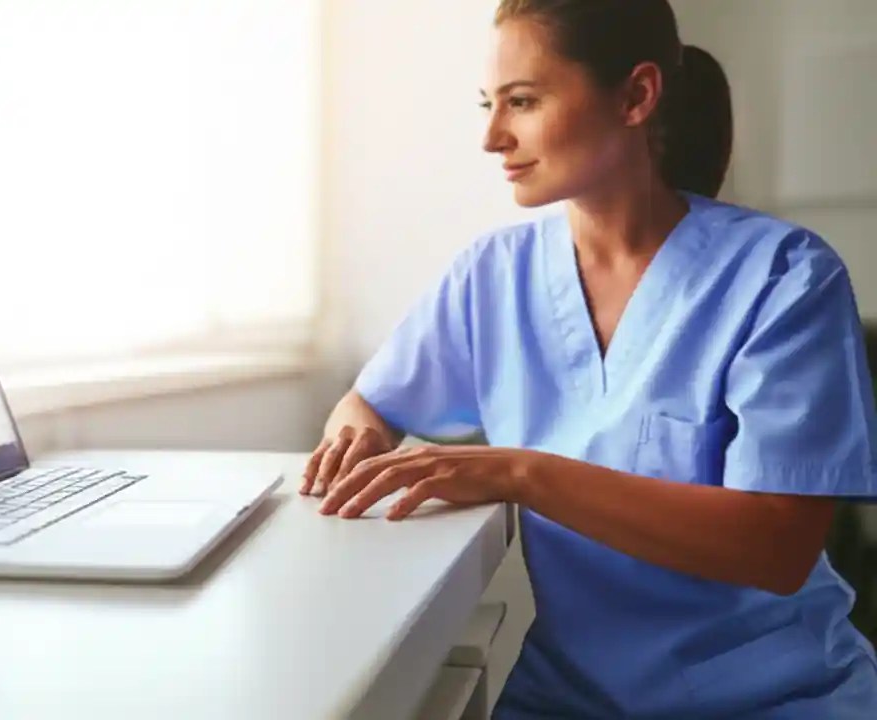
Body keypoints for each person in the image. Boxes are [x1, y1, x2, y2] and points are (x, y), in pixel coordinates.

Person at [302, 0, 877, 716]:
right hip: (565, 699)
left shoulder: (785, 277)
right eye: (488, 103)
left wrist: (521, 472)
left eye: (523, 101)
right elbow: (372, 403)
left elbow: (777, 547)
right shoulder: (492, 275)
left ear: (636, 96)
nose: (491, 137)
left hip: (768, 697)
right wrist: (357, 433)